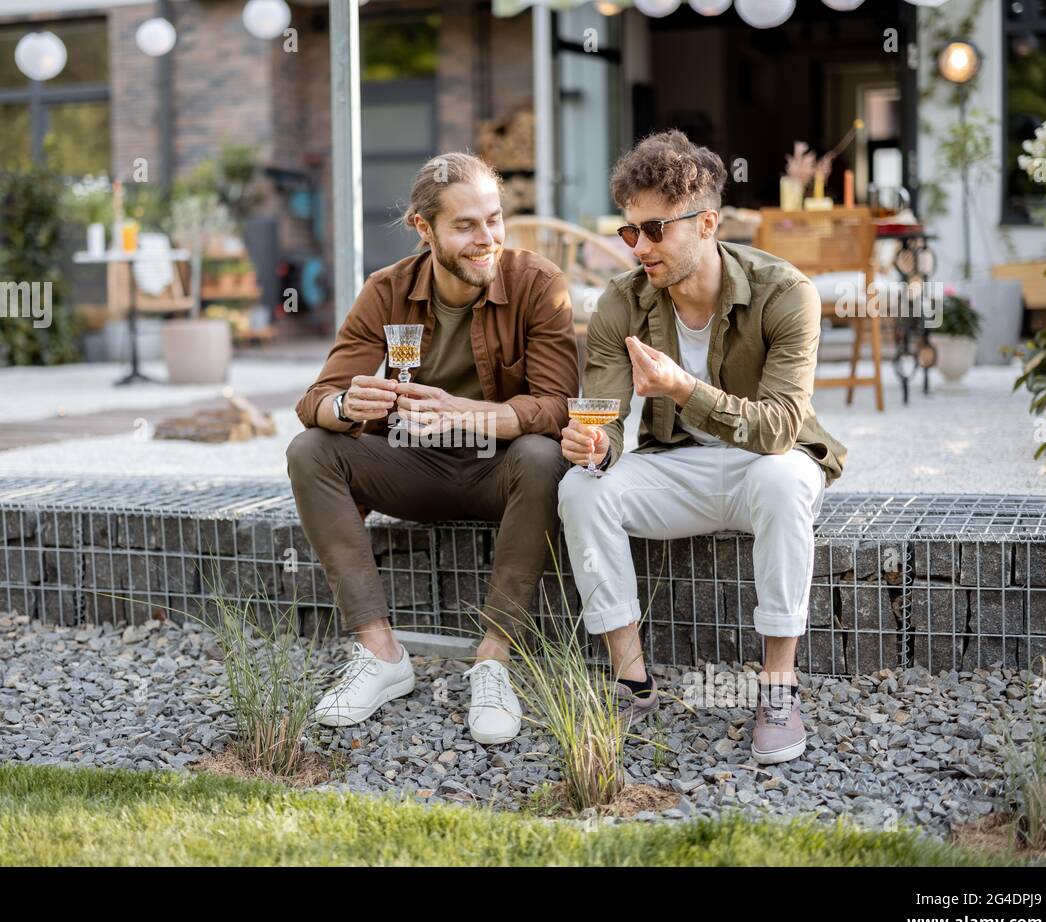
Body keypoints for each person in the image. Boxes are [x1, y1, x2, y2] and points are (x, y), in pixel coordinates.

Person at [558, 130, 847, 765]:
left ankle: (777, 689)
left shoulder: (785, 291)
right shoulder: (620, 303)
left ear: (707, 222)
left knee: (783, 480)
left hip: (764, 464)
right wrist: (593, 445)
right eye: (628, 232)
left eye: (655, 230)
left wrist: (683, 387)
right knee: (579, 488)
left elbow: (778, 430)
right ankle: (632, 683)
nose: (639, 247)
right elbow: (605, 419)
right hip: (676, 469)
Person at [287, 151, 580, 745]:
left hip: (503, 472)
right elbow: (315, 398)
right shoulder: (387, 290)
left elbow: (556, 407)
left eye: (494, 220)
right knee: (310, 449)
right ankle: (381, 653)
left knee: (543, 454)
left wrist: (470, 412)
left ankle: (494, 660)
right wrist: (348, 406)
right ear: (424, 228)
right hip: (412, 467)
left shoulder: (537, 283)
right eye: (466, 225)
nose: (486, 238)